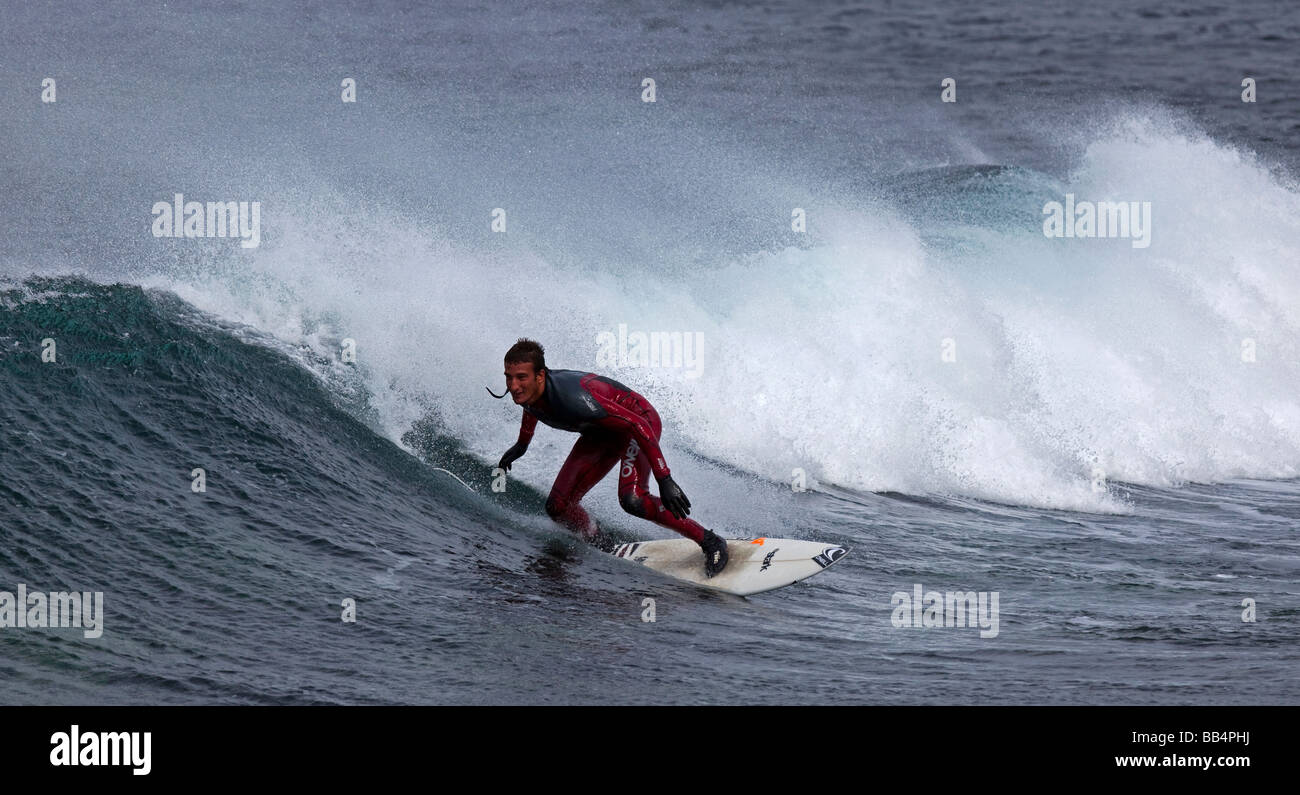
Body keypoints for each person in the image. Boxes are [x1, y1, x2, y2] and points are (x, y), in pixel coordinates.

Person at [490, 338, 729, 576]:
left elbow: (636, 424)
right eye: (508, 377)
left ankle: (710, 541)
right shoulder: (529, 392)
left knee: (632, 500)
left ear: (540, 376)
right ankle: (601, 541)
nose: (513, 386)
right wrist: (522, 444)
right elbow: (532, 406)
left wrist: (664, 478)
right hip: (600, 432)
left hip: (638, 423)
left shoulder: (576, 401)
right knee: (558, 507)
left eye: (521, 377)